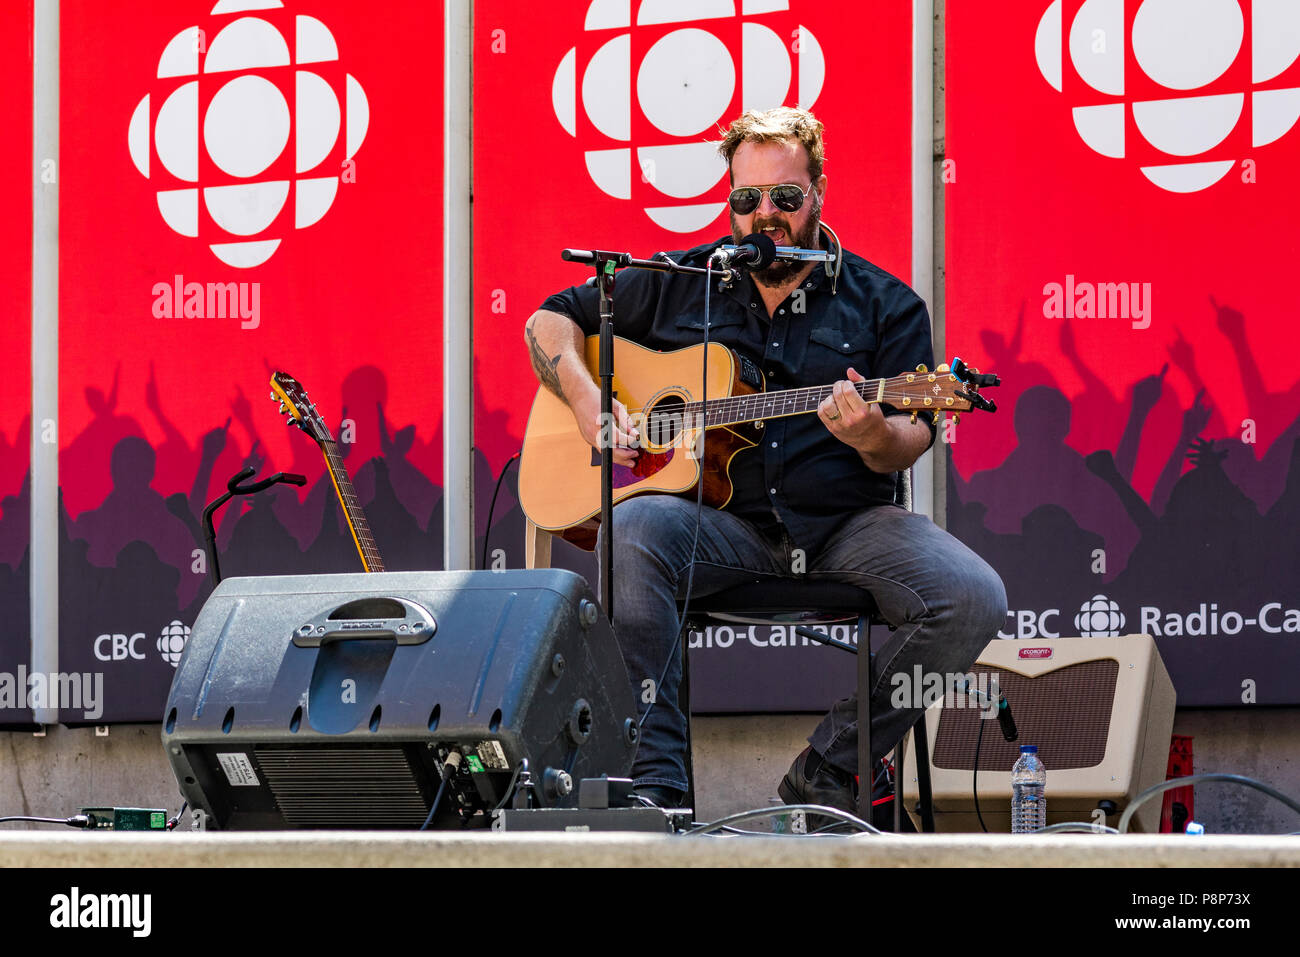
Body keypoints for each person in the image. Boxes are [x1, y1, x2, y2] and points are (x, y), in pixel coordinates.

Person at [524, 107, 1006, 812]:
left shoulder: (885, 304)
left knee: (972, 595)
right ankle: (656, 786)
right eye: (746, 201)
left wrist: (869, 432)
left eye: (785, 198)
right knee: (634, 533)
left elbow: (911, 436)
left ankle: (832, 767)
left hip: (847, 525)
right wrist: (587, 398)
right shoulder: (683, 279)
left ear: (819, 193)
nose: (764, 218)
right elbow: (548, 321)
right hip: (724, 529)